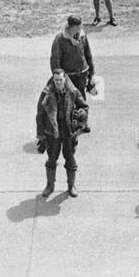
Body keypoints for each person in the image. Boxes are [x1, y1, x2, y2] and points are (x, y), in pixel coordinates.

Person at [36, 66, 85, 198]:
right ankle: (49, 186)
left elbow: (83, 106)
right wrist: (41, 135)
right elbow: (40, 114)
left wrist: (80, 118)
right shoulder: (46, 93)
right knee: (51, 159)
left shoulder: (73, 91)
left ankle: (71, 186)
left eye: (60, 80)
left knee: (70, 159)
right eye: (56, 80)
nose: (58, 83)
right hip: (52, 131)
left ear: (65, 79)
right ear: (53, 79)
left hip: (68, 131)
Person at [50, 15, 97, 105]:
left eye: (80, 27)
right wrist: (59, 79)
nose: (80, 29)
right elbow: (55, 61)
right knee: (67, 104)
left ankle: (82, 118)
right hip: (68, 77)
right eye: (78, 27)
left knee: (81, 102)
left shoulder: (82, 36)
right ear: (71, 27)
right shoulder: (59, 40)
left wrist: (92, 74)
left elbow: (88, 54)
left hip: (82, 75)